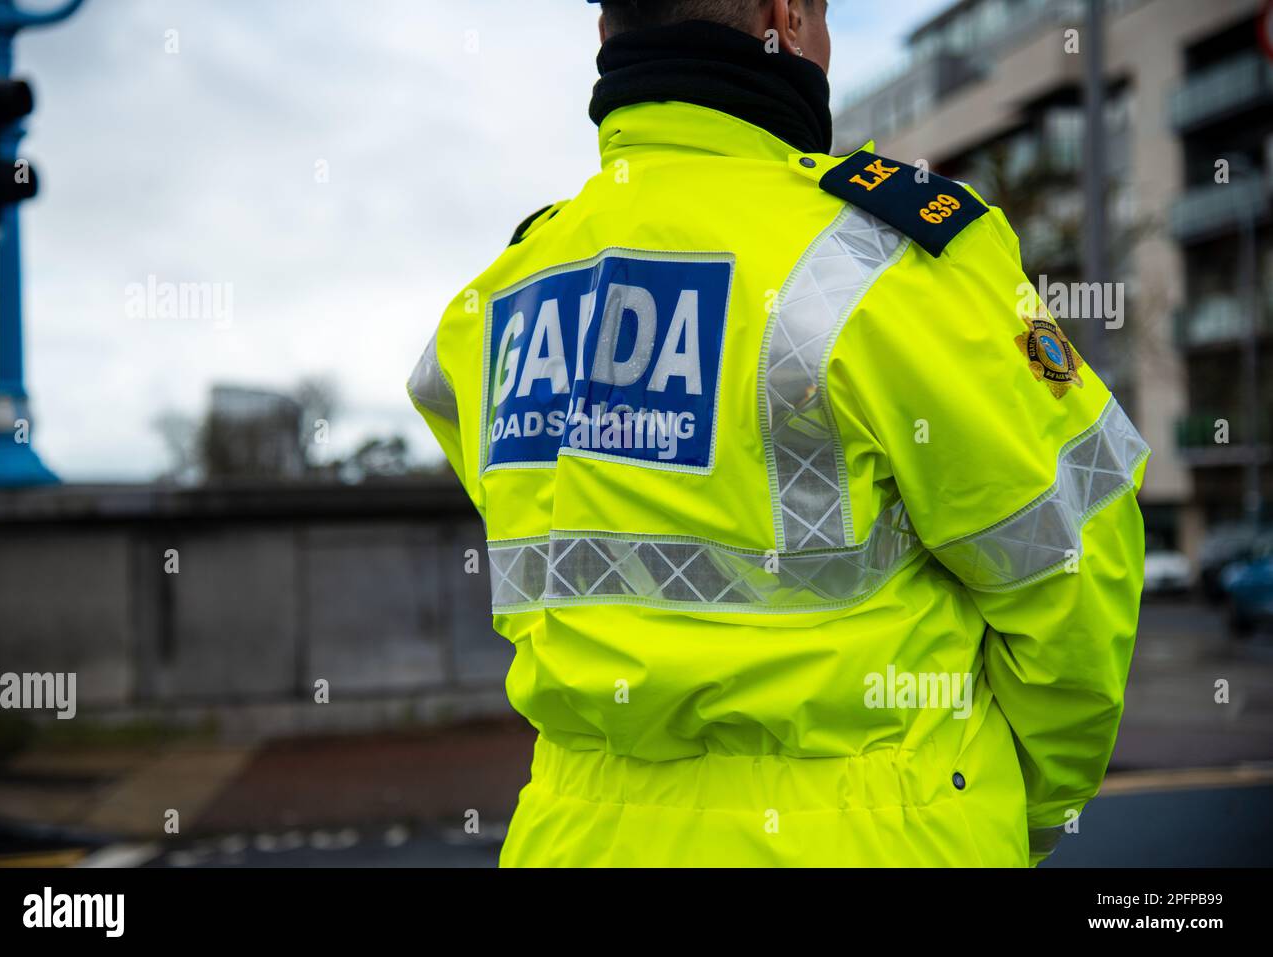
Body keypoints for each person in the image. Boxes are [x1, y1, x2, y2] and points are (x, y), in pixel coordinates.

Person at [408, 0, 1149, 867]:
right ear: (788, 18)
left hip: (570, 837)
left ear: (608, 37)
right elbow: (1073, 562)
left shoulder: (504, 293)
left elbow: (454, 411)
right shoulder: (887, 263)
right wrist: (1026, 803)